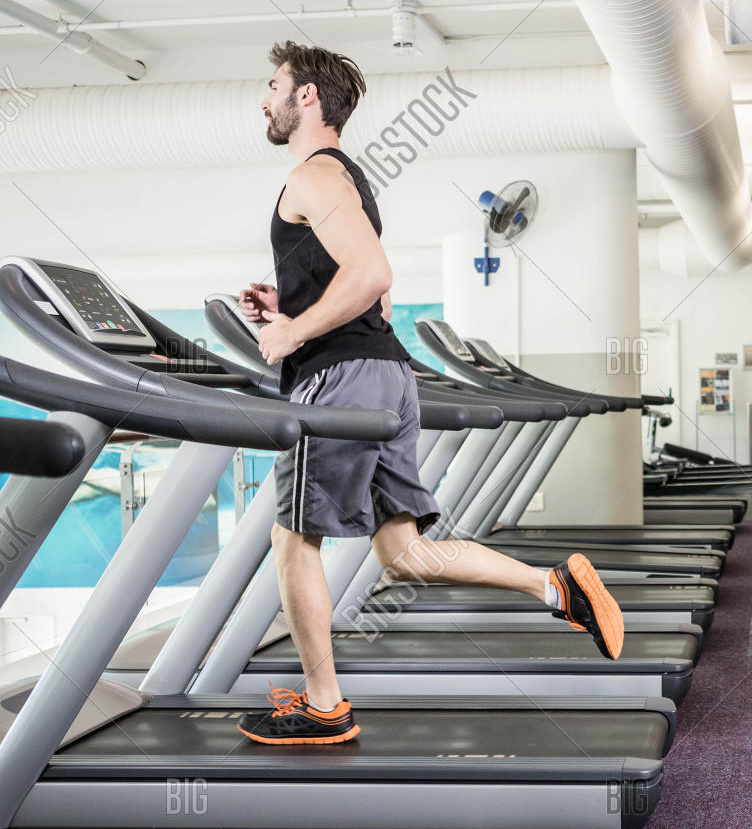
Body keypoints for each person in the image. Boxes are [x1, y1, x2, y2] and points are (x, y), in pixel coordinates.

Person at [236, 41, 623, 745]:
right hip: (383, 372)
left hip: (342, 383)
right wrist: (288, 305)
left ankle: (325, 705)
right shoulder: (348, 181)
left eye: (273, 85)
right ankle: (554, 587)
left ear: (308, 98)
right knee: (404, 555)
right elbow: (370, 298)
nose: (264, 99)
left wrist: (293, 335)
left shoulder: (312, 177)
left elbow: (374, 277)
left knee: (292, 538)